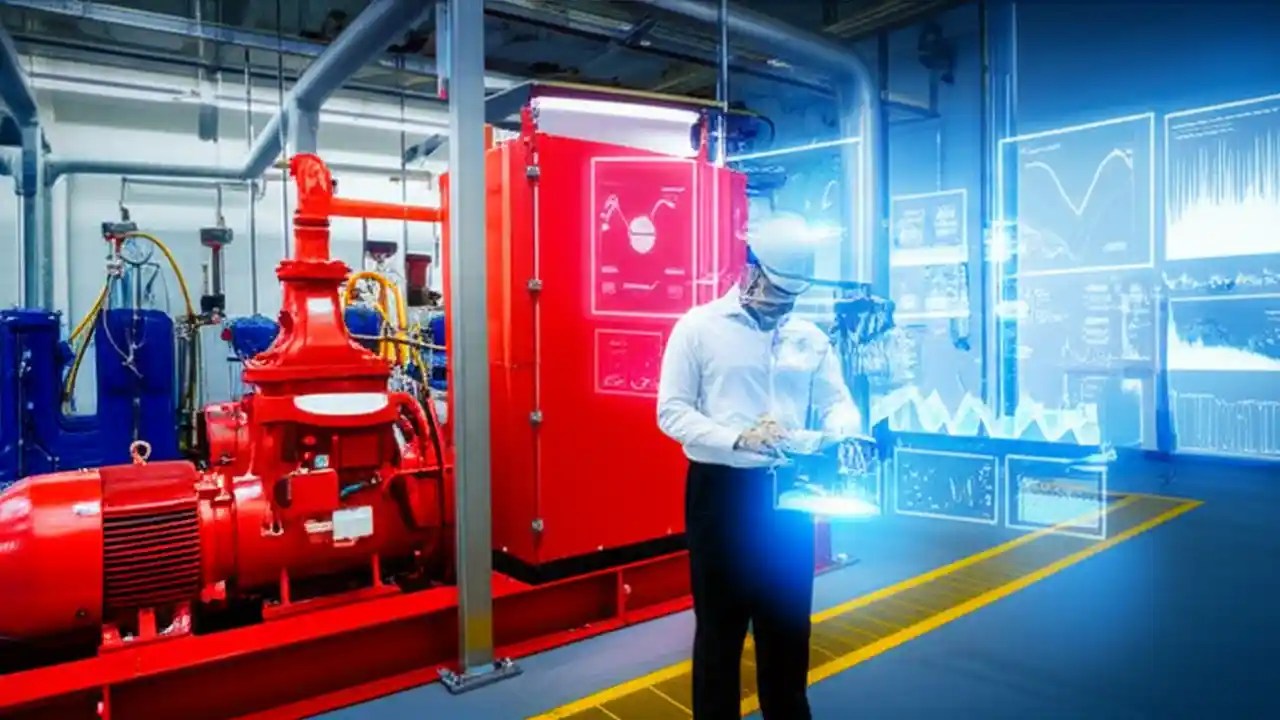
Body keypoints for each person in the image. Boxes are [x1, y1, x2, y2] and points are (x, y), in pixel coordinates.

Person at [657, 213, 861, 720]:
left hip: (791, 489)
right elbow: (672, 411)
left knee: (789, 626)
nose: (782, 308)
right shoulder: (698, 328)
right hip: (721, 493)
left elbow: (837, 400)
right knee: (720, 632)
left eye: (791, 299)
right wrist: (738, 437)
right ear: (749, 272)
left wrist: (846, 430)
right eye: (775, 294)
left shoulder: (809, 336)